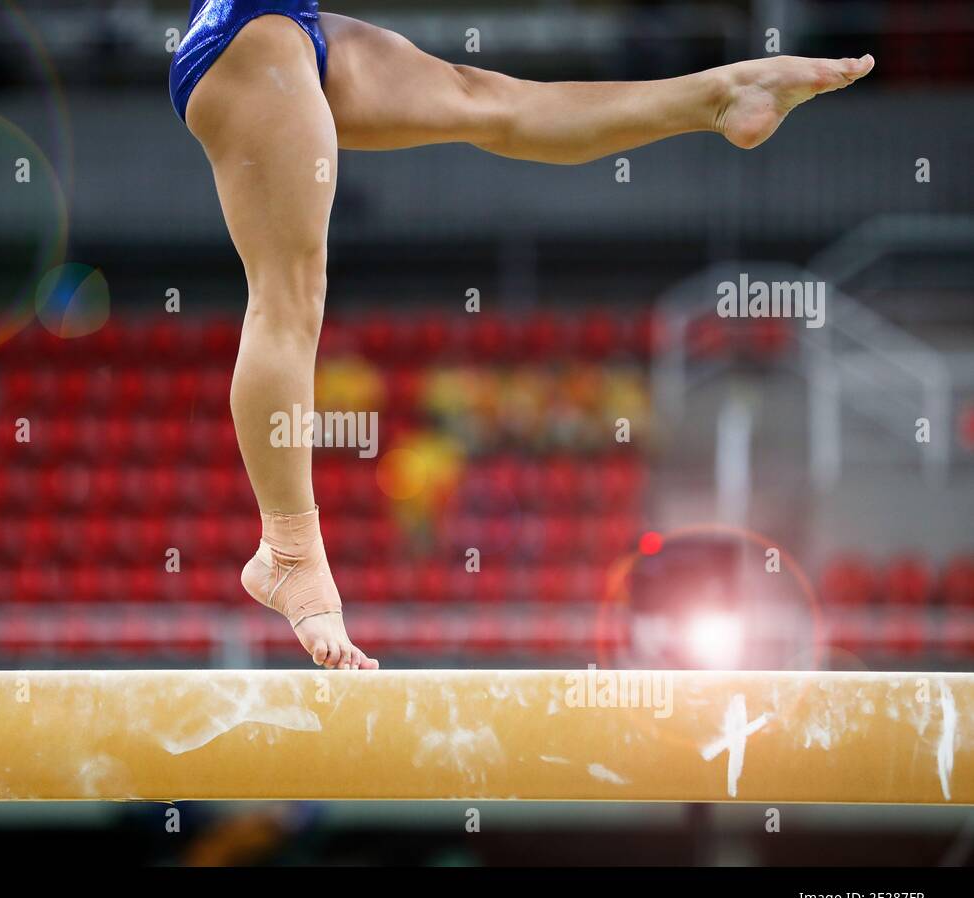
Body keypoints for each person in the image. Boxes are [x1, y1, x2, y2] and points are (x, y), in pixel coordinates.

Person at [169, 0, 874, 670]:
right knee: (288, 297)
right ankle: (288, 549)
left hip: (289, 24)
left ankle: (719, 94)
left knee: (494, 104)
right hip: (249, 36)